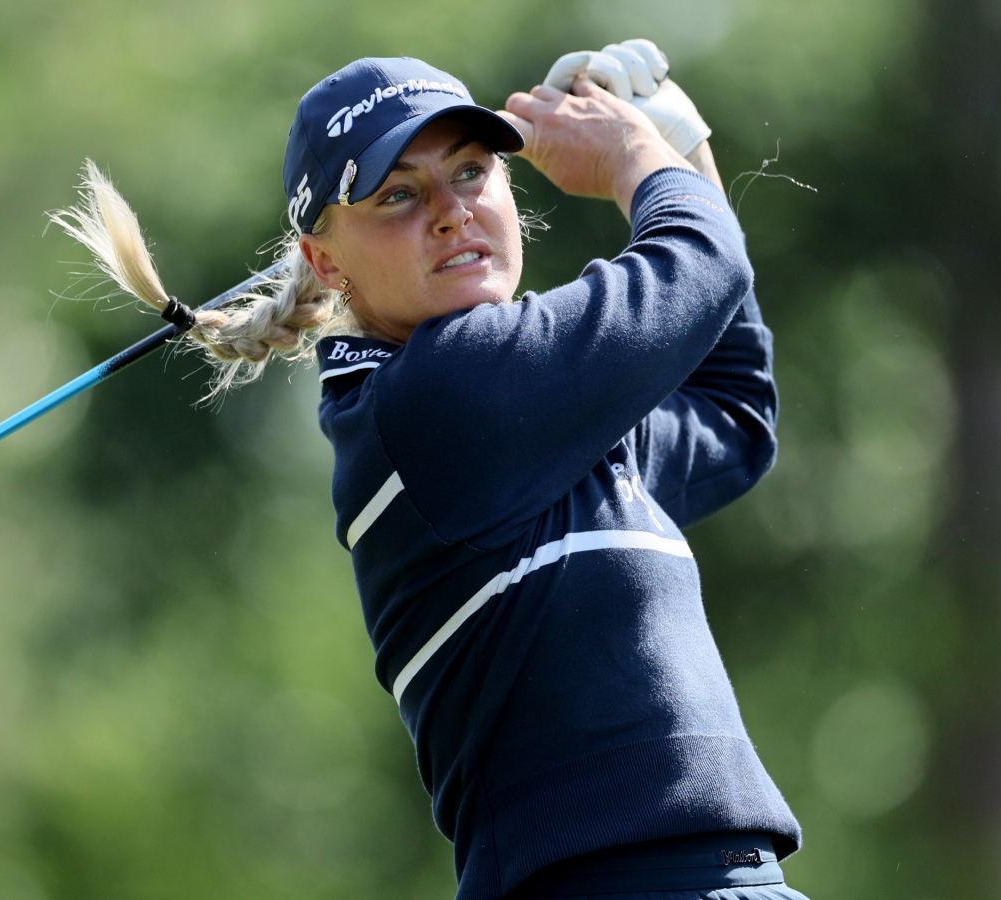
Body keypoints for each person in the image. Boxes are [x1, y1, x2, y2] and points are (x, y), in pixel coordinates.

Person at [54, 41, 805, 900]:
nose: (452, 213)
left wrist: (684, 154)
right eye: (399, 195)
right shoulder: (443, 398)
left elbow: (733, 417)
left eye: (472, 171)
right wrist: (640, 155)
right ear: (326, 262)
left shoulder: (522, 425)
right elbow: (700, 267)